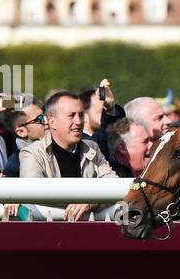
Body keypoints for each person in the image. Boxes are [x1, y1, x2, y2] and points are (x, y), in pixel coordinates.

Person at [19, 90, 118, 220]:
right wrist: (86, 199)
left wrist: (90, 202)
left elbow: (114, 185)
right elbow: (34, 192)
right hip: (50, 233)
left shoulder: (92, 148)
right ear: (52, 122)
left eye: (81, 115)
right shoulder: (32, 153)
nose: (78, 121)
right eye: (71, 115)